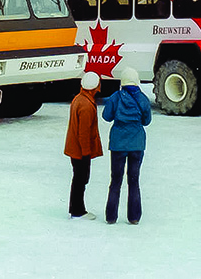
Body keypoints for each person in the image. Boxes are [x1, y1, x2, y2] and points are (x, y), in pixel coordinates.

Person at [102, 67, 152, 225]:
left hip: (118, 145)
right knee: (134, 180)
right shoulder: (143, 99)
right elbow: (146, 121)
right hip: (137, 144)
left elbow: (106, 116)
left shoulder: (115, 97)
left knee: (115, 180)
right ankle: (134, 217)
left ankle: (111, 216)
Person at [64, 71, 104, 219]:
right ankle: (78, 211)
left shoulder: (78, 99)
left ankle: (76, 209)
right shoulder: (86, 106)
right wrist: (86, 153)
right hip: (80, 151)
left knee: (78, 179)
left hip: (74, 148)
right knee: (81, 179)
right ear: (95, 87)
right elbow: (84, 133)